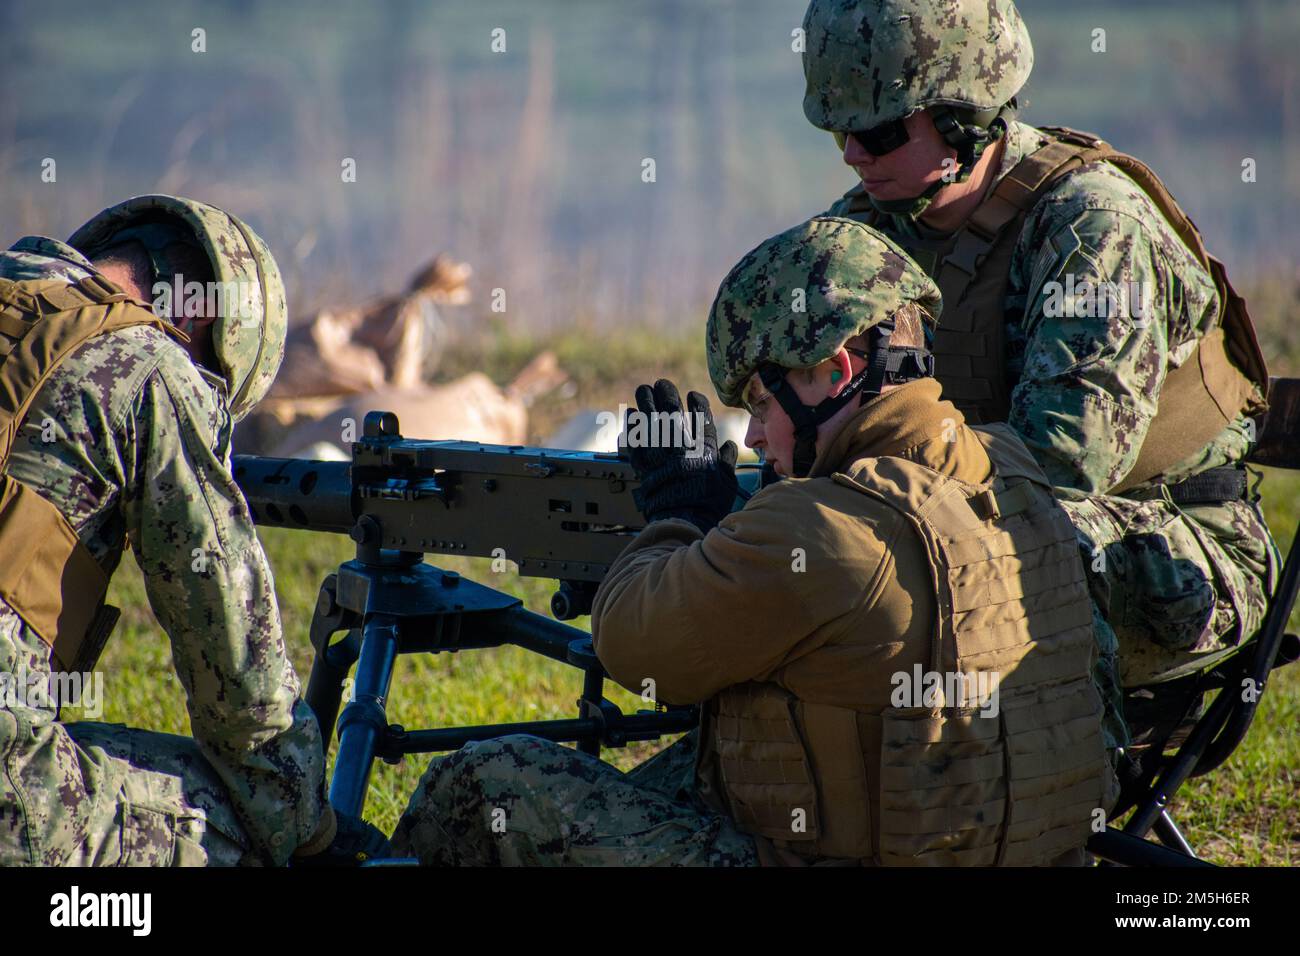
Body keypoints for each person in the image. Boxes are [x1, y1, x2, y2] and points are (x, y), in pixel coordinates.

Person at [391, 217, 1110, 866]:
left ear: (836, 373)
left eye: (763, 405)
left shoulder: (822, 528)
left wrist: (679, 520)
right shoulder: (1015, 468)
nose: (758, 438)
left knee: (492, 779)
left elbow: (634, 646)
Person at [799, 0, 1279, 755]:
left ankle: (1052, 802)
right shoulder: (870, 232)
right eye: (838, 130)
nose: (853, 154)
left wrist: (883, 502)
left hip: (1169, 547)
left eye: (880, 131)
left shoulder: (1093, 228)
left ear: (963, 118)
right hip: (952, 524)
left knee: (992, 549)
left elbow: (1064, 464)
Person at [0, 195, 385, 865]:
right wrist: (310, 835)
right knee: (246, 821)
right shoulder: (151, 365)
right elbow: (239, 676)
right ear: (200, 312)